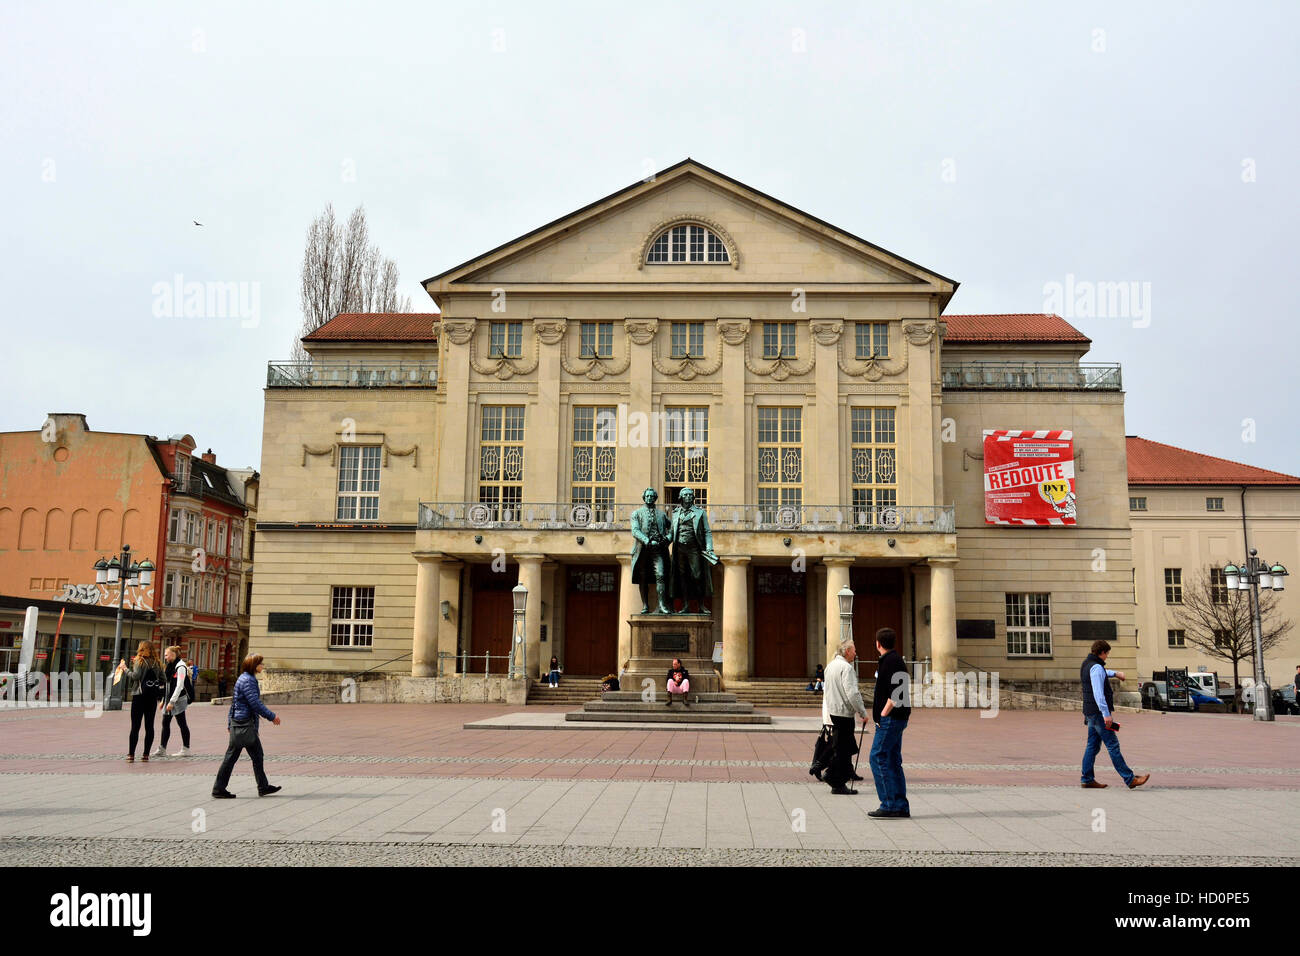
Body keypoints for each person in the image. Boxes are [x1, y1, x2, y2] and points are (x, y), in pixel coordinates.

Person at [1080, 639, 1149, 790]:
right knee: (1112, 745)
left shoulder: (1087, 664)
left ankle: (1087, 779)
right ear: (1102, 652)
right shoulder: (1096, 668)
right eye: (1107, 654)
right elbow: (1099, 694)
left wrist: (1115, 673)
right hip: (1099, 713)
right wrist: (1106, 714)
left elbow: (1101, 673)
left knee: (1092, 746)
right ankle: (1130, 779)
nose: (1107, 657)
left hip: (1090, 712)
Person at [211, 654, 282, 799]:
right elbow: (255, 703)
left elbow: (235, 702)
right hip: (244, 724)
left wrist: (230, 722)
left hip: (241, 723)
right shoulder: (248, 681)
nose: (263, 666)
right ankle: (220, 789)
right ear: (254, 665)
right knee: (237, 757)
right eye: (261, 663)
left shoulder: (243, 678)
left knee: (250, 756)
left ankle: (262, 786)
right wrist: (272, 716)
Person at [867, 628, 912, 818]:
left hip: (892, 719)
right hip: (896, 718)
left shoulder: (892, 662)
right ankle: (899, 805)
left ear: (878, 643)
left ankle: (889, 804)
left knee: (877, 757)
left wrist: (883, 714)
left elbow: (897, 693)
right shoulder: (893, 660)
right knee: (893, 760)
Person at [822, 641, 868, 795]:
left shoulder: (830, 666)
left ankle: (836, 778)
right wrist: (862, 712)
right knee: (843, 749)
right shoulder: (846, 668)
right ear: (847, 651)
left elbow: (827, 690)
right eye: (854, 651)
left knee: (843, 746)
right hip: (844, 712)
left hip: (834, 711)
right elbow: (853, 693)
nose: (856, 654)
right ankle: (835, 778)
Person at [116, 641, 165, 763]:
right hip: (152, 697)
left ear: (141, 649)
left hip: (139, 696)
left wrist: (125, 668)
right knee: (149, 726)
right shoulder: (157, 663)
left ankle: (131, 755)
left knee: (135, 726)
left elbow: (135, 676)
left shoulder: (139, 660)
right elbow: (163, 679)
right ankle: (145, 755)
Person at [153, 645, 193, 758]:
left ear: (173, 654)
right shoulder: (170, 666)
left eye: (166, 654)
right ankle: (162, 748)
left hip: (178, 699)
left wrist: (171, 702)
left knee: (182, 723)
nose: (165, 657)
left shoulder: (180, 666)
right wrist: (163, 700)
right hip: (169, 699)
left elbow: (179, 685)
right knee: (166, 723)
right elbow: (167, 684)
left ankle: (186, 748)